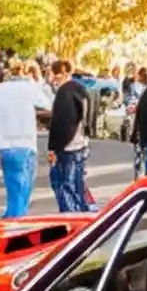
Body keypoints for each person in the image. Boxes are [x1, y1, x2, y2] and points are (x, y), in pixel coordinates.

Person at [0, 59, 50, 218]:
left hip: (5, 142)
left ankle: (13, 214)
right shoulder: (30, 88)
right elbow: (47, 105)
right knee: (24, 185)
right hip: (26, 141)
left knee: (13, 184)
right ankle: (17, 218)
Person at [47, 59, 90, 212]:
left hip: (67, 146)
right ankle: (82, 212)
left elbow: (60, 123)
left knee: (63, 184)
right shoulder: (81, 89)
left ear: (59, 74)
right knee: (78, 184)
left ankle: (70, 215)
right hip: (81, 142)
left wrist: (53, 148)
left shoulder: (63, 93)